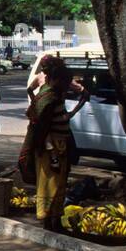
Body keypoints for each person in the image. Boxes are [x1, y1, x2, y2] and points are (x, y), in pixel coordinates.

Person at [28, 55, 89, 232]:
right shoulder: (47, 98)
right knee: (50, 185)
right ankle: (48, 221)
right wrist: (51, 151)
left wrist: (70, 115)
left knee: (60, 185)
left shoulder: (55, 95)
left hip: (60, 146)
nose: (66, 86)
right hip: (51, 149)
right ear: (56, 79)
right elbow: (41, 128)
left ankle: (55, 218)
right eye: (65, 82)